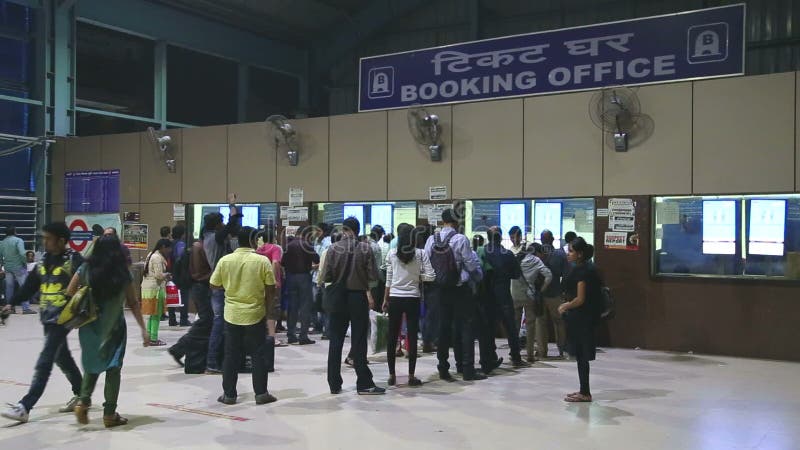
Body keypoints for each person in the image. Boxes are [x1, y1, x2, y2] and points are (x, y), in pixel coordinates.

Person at [1, 222, 84, 424]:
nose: (44, 242)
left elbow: (88, 284)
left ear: (61, 240)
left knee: (45, 360)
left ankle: (25, 406)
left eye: (48, 238)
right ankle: (83, 393)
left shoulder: (74, 260)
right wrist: (10, 304)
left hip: (63, 319)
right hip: (47, 317)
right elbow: (30, 286)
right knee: (62, 358)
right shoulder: (43, 261)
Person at [66, 236, 149, 428]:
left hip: (89, 326)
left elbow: (70, 291)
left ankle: (83, 401)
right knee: (113, 369)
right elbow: (133, 303)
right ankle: (109, 414)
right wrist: (143, 329)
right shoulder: (122, 273)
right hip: (114, 327)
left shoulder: (85, 268)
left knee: (92, 364)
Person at [211, 227, 278, 406]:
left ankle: (229, 395)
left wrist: (230, 289)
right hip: (255, 313)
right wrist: (267, 308)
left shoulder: (225, 260)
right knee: (258, 354)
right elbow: (271, 288)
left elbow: (214, 284)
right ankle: (261, 394)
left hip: (232, 313)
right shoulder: (262, 261)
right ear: (253, 241)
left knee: (231, 354)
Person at [322, 216, 385, 395]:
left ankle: (334, 383)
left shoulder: (333, 248)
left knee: (336, 340)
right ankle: (364, 383)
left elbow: (327, 276)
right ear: (357, 230)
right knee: (358, 340)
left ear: (344, 229)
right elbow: (373, 276)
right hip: (358, 297)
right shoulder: (365, 248)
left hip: (338, 298)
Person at [424, 209, 485, 381]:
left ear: (442, 222)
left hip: (439, 291)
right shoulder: (460, 239)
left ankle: (443, 368)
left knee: (443, 329)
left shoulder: (431, 240)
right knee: (466, 328)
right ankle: (467, 369)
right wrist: (478, 278)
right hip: (460, 290)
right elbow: (471, 266)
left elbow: (426, 264)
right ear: (456, 222)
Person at [383, 223, 435, 387]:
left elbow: (388, 279)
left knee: (392, 337)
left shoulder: (392, 254)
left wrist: (385, 299)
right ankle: (411, 376)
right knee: (412, 337)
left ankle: (392, 375)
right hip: (413, 298)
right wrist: (419, 278)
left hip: (395, 298)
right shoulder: (420, 254)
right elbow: (431, 276)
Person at [558, 237, 602, 403]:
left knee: (581, 355)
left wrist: (565, 306)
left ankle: (585, 392)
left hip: (581, 318)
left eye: (571, 251)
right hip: (585, 317)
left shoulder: (582, 271)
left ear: (580, 254)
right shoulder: (588, 268)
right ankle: (584, 389)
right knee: (581, 356)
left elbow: (580, 299)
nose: (568, 254)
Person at [168, 217, 215, 370]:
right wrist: (214, 273)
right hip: (200, 287)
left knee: (207, 321)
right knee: (205, 320)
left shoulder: (198, 247)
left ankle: (180, 348)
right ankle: (179, 348)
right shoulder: (198, 247)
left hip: (200, 287)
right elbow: (197, 273)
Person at [205, 195, 243, 374]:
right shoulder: (214, 238)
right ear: (216, 225)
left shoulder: (211, 237)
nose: (223, 225)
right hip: (219, 287)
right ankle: (212, 361)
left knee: (224, 323)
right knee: (219, 323)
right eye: (220, 222)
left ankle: (220, 358)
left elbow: (232, 226)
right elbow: (230, 225)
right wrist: (232, 205)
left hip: (222, 284)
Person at [483, 227, 529, 368]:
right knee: (510, 327)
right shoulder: (507, 254)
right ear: (500, 237)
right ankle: (515, 356)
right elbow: (516, 274)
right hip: (504, 294)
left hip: (487, 295)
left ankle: (491, 356)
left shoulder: (482, 251)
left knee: (489, 328)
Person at [282, 226, 319, 345]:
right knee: (305, 307)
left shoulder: (289, 245)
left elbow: (283, 262)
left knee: (292, 307)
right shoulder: (307, 245)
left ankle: (291, 335)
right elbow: (317, 259)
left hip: (291, 277)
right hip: (304, 277)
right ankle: (303, 336)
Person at [519, 242, 553, 362]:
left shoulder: (519, 257)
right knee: (530, 325)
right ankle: (529, 354)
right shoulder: (536, 260)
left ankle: (515, 353)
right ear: (537, 252)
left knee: (514, 324)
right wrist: (542, 289)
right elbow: (549, 275)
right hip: (530, 294)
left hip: (516, 294)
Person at [540, 229, 570, 358]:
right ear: (552, 239)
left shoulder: (536, 253)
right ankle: (561, 350)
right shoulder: (560, 254)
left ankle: (542, 351)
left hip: (539, 295)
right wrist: (563, 291)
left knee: (540, 323)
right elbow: (566, 275)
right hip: (555, 293)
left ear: (541, 240)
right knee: (559, 322)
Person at [256, 225, 285, 345]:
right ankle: (272, 337)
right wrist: (273, 280)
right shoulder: (275, 248)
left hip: (259, 283)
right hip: (271, 284)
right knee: (272, 310)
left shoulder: (259, 250)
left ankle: (262, 336)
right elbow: (275, 263)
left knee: (261, 309)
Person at [141, 239, 173, 346]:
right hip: (156, 289)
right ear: (163, 247)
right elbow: (159, 275)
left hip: (148, 288)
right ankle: (154, 339)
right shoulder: (157, 257)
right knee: (156, 314)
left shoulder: (151, 254)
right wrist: (167, 275)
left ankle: (149, 337)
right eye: (169, 248)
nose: (170, 250)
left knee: (151, 314)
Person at [1, 226, 35, 314]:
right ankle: (26, 308)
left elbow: (0, 256)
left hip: (8, 267)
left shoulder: (2, 242)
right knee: (24, 287)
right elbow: (22, 253)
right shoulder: (18, 240)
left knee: (9, 288)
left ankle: (10, 308)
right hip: (19, 267)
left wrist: (1, 266)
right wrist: (25, 263)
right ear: (15, 232)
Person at [169, 224, 191, 327]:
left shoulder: (170, 243)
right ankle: (183, 319)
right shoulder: (181, 244)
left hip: (171, 274)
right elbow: (179, 259)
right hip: (180, 275)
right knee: (183, 297)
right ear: (182, 234)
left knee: (171, 297)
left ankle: (172, 319)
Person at [369, 225, 387, 312]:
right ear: (379, 235)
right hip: (372, 283)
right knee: (373, 309)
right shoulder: (376, 247)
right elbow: (377, 267)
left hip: (360, 282)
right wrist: (384, 280)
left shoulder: (363, 243)